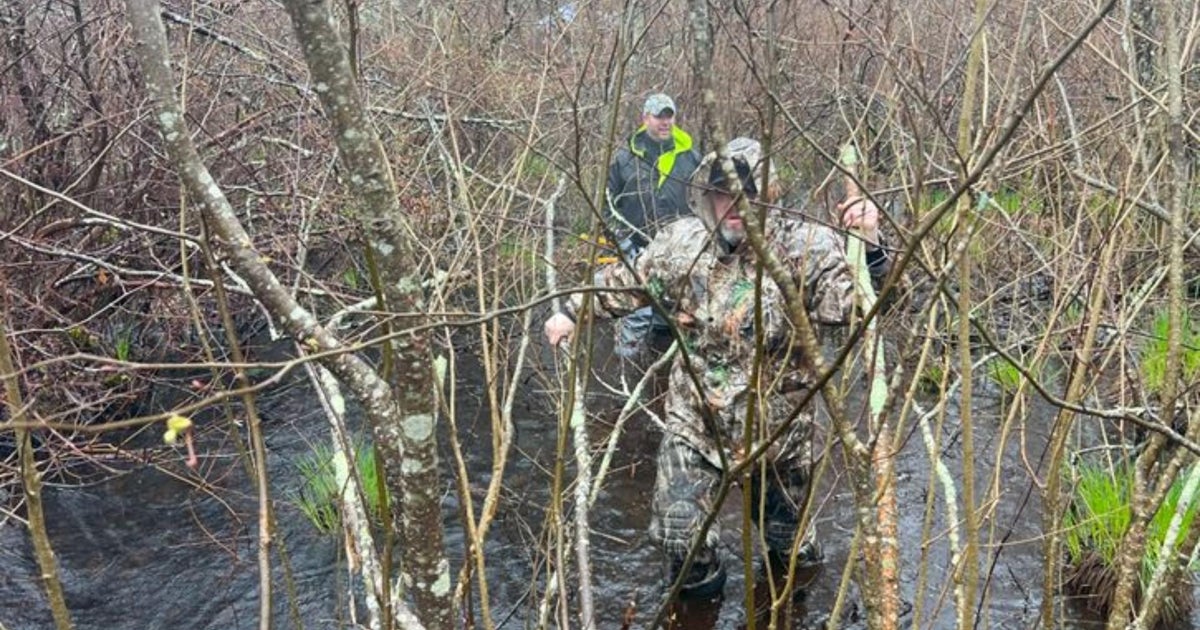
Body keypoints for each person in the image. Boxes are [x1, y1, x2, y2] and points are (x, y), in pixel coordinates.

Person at [546, 138, 891, 599]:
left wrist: (870, 244)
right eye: (723, 191)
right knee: (678, 534)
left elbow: (864, 306)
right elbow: (627, 280)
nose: (734, 204)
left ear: (768, 194)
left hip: (778, 433)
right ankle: (699, 606)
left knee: (790, 557)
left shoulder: (805, 246)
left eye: (748, 191)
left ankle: (787, 609)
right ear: (706, 195)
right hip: (698, 425)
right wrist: (571, 310)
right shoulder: (681, 243)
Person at [604, 93, 702, 358]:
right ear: (645, 117)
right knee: (634, 312)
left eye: (669, 116)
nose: (665, 122)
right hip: (636, 247)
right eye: (659, 116)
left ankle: (663, 370)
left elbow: (704, 200)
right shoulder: (624, 158)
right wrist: (618, 240)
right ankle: (627, 371)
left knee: (672, 315)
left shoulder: (690, 157)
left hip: (677, 251)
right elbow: (608, 204)